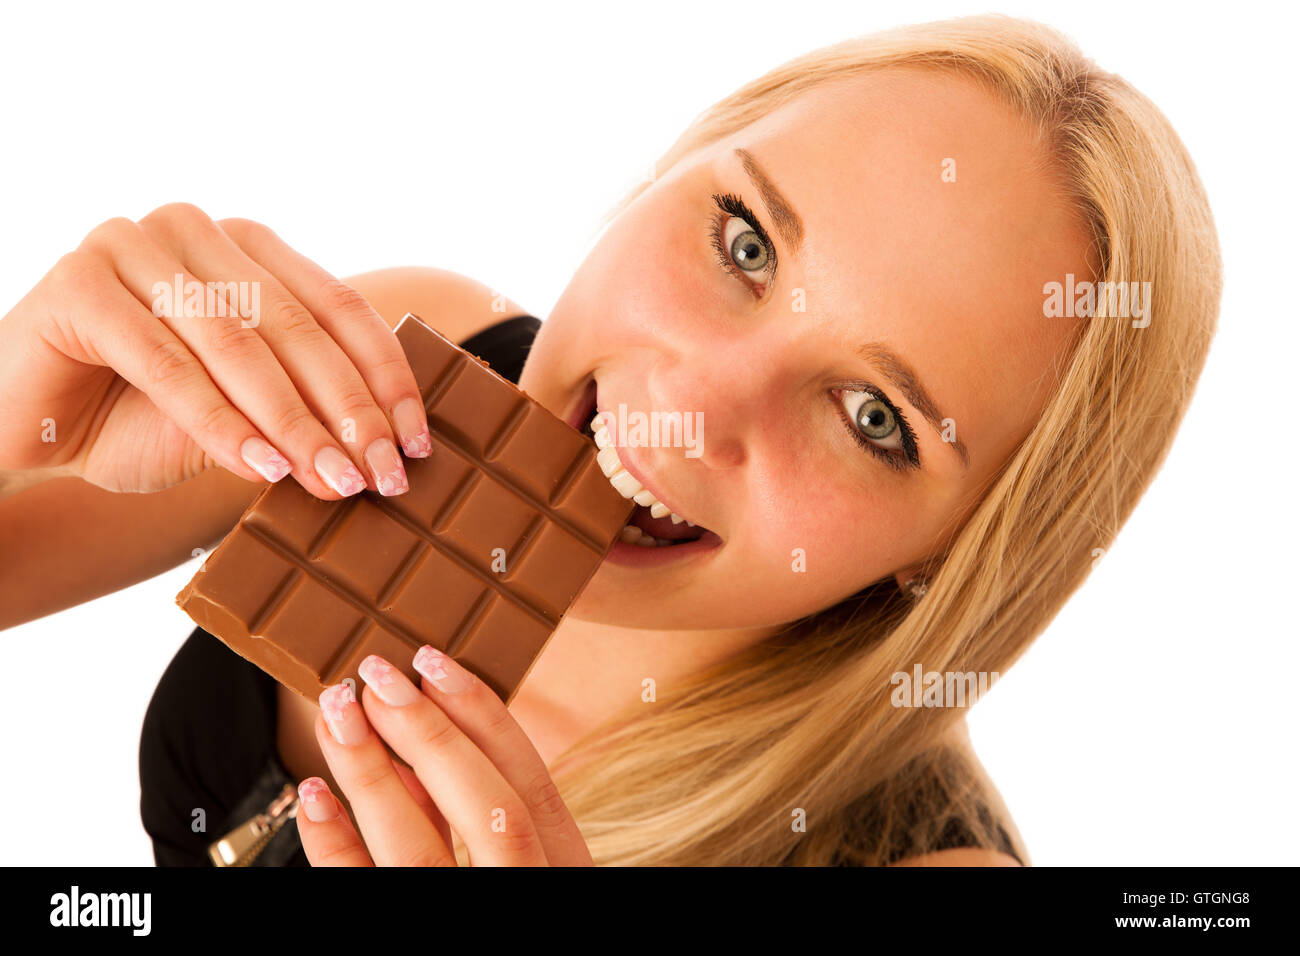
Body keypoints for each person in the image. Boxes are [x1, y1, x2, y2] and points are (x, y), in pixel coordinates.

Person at [0, 14, 1221, 866]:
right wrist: (19, 403)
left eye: (875, 418)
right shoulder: (399, 365)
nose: (700, 396)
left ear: (956, 557)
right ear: (661, 171)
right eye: (745, 239)